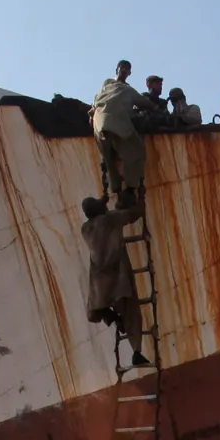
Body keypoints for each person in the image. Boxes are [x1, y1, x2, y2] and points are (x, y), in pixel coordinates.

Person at [79, 196, 149, 366]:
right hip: (118, 279)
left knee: (95, 310)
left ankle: (114, 318)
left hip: (100, 284)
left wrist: (102, 204)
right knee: (131, 311)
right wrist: (140, 198)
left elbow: (100, 215)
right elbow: (135, 213)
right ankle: (137, 351)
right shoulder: (111, 219)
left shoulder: (86, 229)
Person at [91, 60, 147, 206]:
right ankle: (130, 189)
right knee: (136, 151)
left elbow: (95, 103)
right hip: (116, 124)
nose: (124, 70)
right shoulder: (127, 90)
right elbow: (144, 103)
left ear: (129, 73)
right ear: (116, 69)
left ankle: (115, 189)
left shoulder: (105, 88)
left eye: (127, 69)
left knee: (108, 159)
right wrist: (154, 107)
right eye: (122, 68)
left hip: (98, 125)